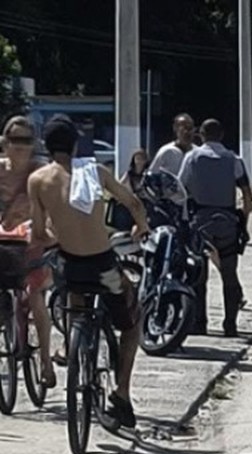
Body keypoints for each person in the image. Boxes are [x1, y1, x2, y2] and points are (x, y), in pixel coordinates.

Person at [28, 114, 149, 427]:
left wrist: (58, 233)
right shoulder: (95, 171)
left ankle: (74, 344)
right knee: (132, 320)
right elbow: (133, 203)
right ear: (75, 144)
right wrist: (142, 228)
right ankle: (121, 393)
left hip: (70, 267)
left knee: (72, 298)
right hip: (102, 266)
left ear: (45, 144)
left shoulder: (38, 181)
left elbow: (40, 233)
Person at [178, 119, 252, 338]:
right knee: (229, 274)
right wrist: (243, 222)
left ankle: (200, 322)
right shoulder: (234, 160)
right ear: (222, 135)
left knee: (199, 275)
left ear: (201, 135)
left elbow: (180, 189)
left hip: (200, 221)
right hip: (227, 221)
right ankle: (230, 324)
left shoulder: (192, 158)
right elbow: (247, 197)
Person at [0, 115, 54, 385]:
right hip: (3, 241)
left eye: (25, 140)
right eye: (14, 140)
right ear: (4, 142)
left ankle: (46, 363)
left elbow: (52, 209)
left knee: (35, 296)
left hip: (32, 243)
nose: (20, 146)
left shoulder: (40, 171)